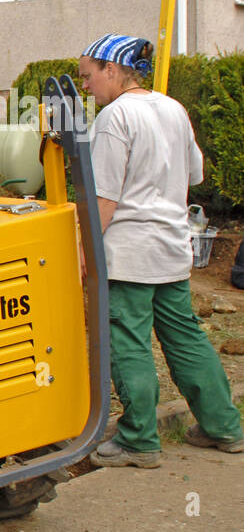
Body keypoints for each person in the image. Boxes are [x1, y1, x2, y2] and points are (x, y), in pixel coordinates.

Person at [80, 33, 244, 468]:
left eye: (88, 76)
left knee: (129, 343)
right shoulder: (173, 109)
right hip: (172, 249)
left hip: (129, 254)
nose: (86, 86)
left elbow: (105, 200)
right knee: (186, 338)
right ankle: (223, 426)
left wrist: (85, 250)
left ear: (111, 70)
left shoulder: (114, 118)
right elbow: (194, 172)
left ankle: (138, 441)